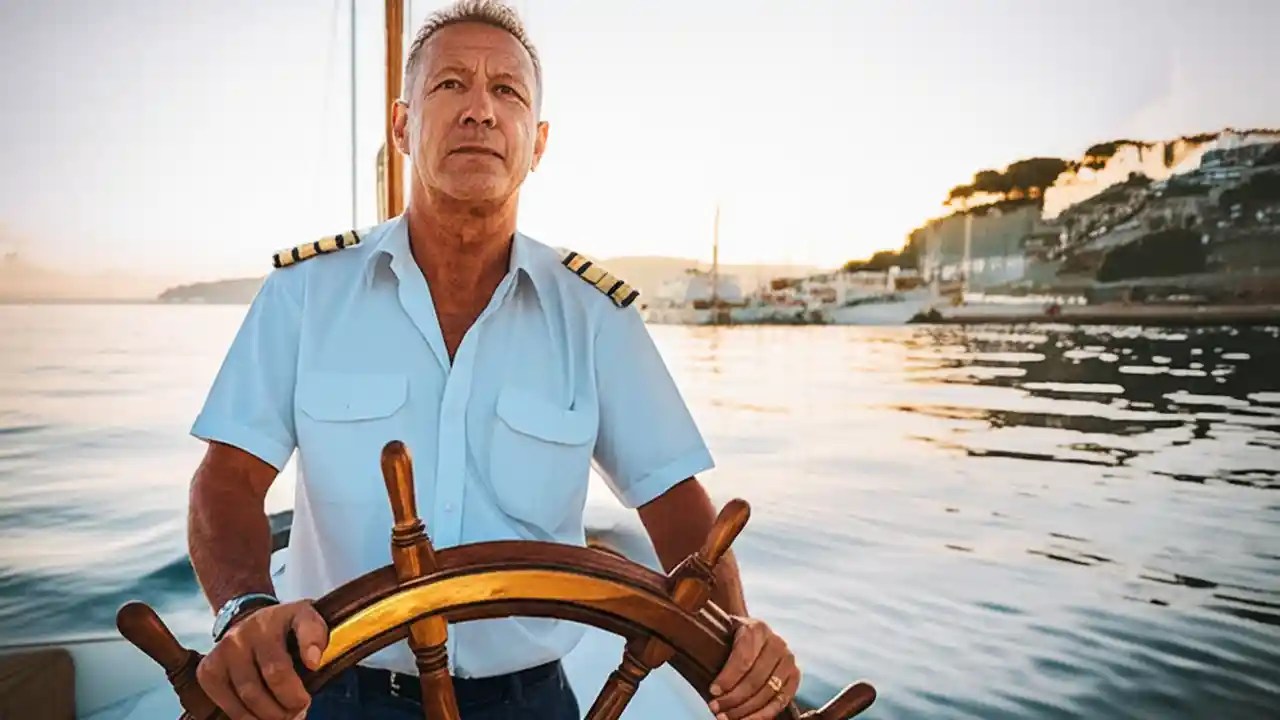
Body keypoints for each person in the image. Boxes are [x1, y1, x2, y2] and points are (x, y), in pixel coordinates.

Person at [186, 1, 799, 718]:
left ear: (537, 142)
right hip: (335, 692)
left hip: (529, 701)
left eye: (506, 91)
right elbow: (226, 484)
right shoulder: (306, 294)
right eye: (450, 85)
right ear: (401, 125)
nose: (479, 109)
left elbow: (675, 505)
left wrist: (736, 639)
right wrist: (245, 609)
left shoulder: (596, 317)